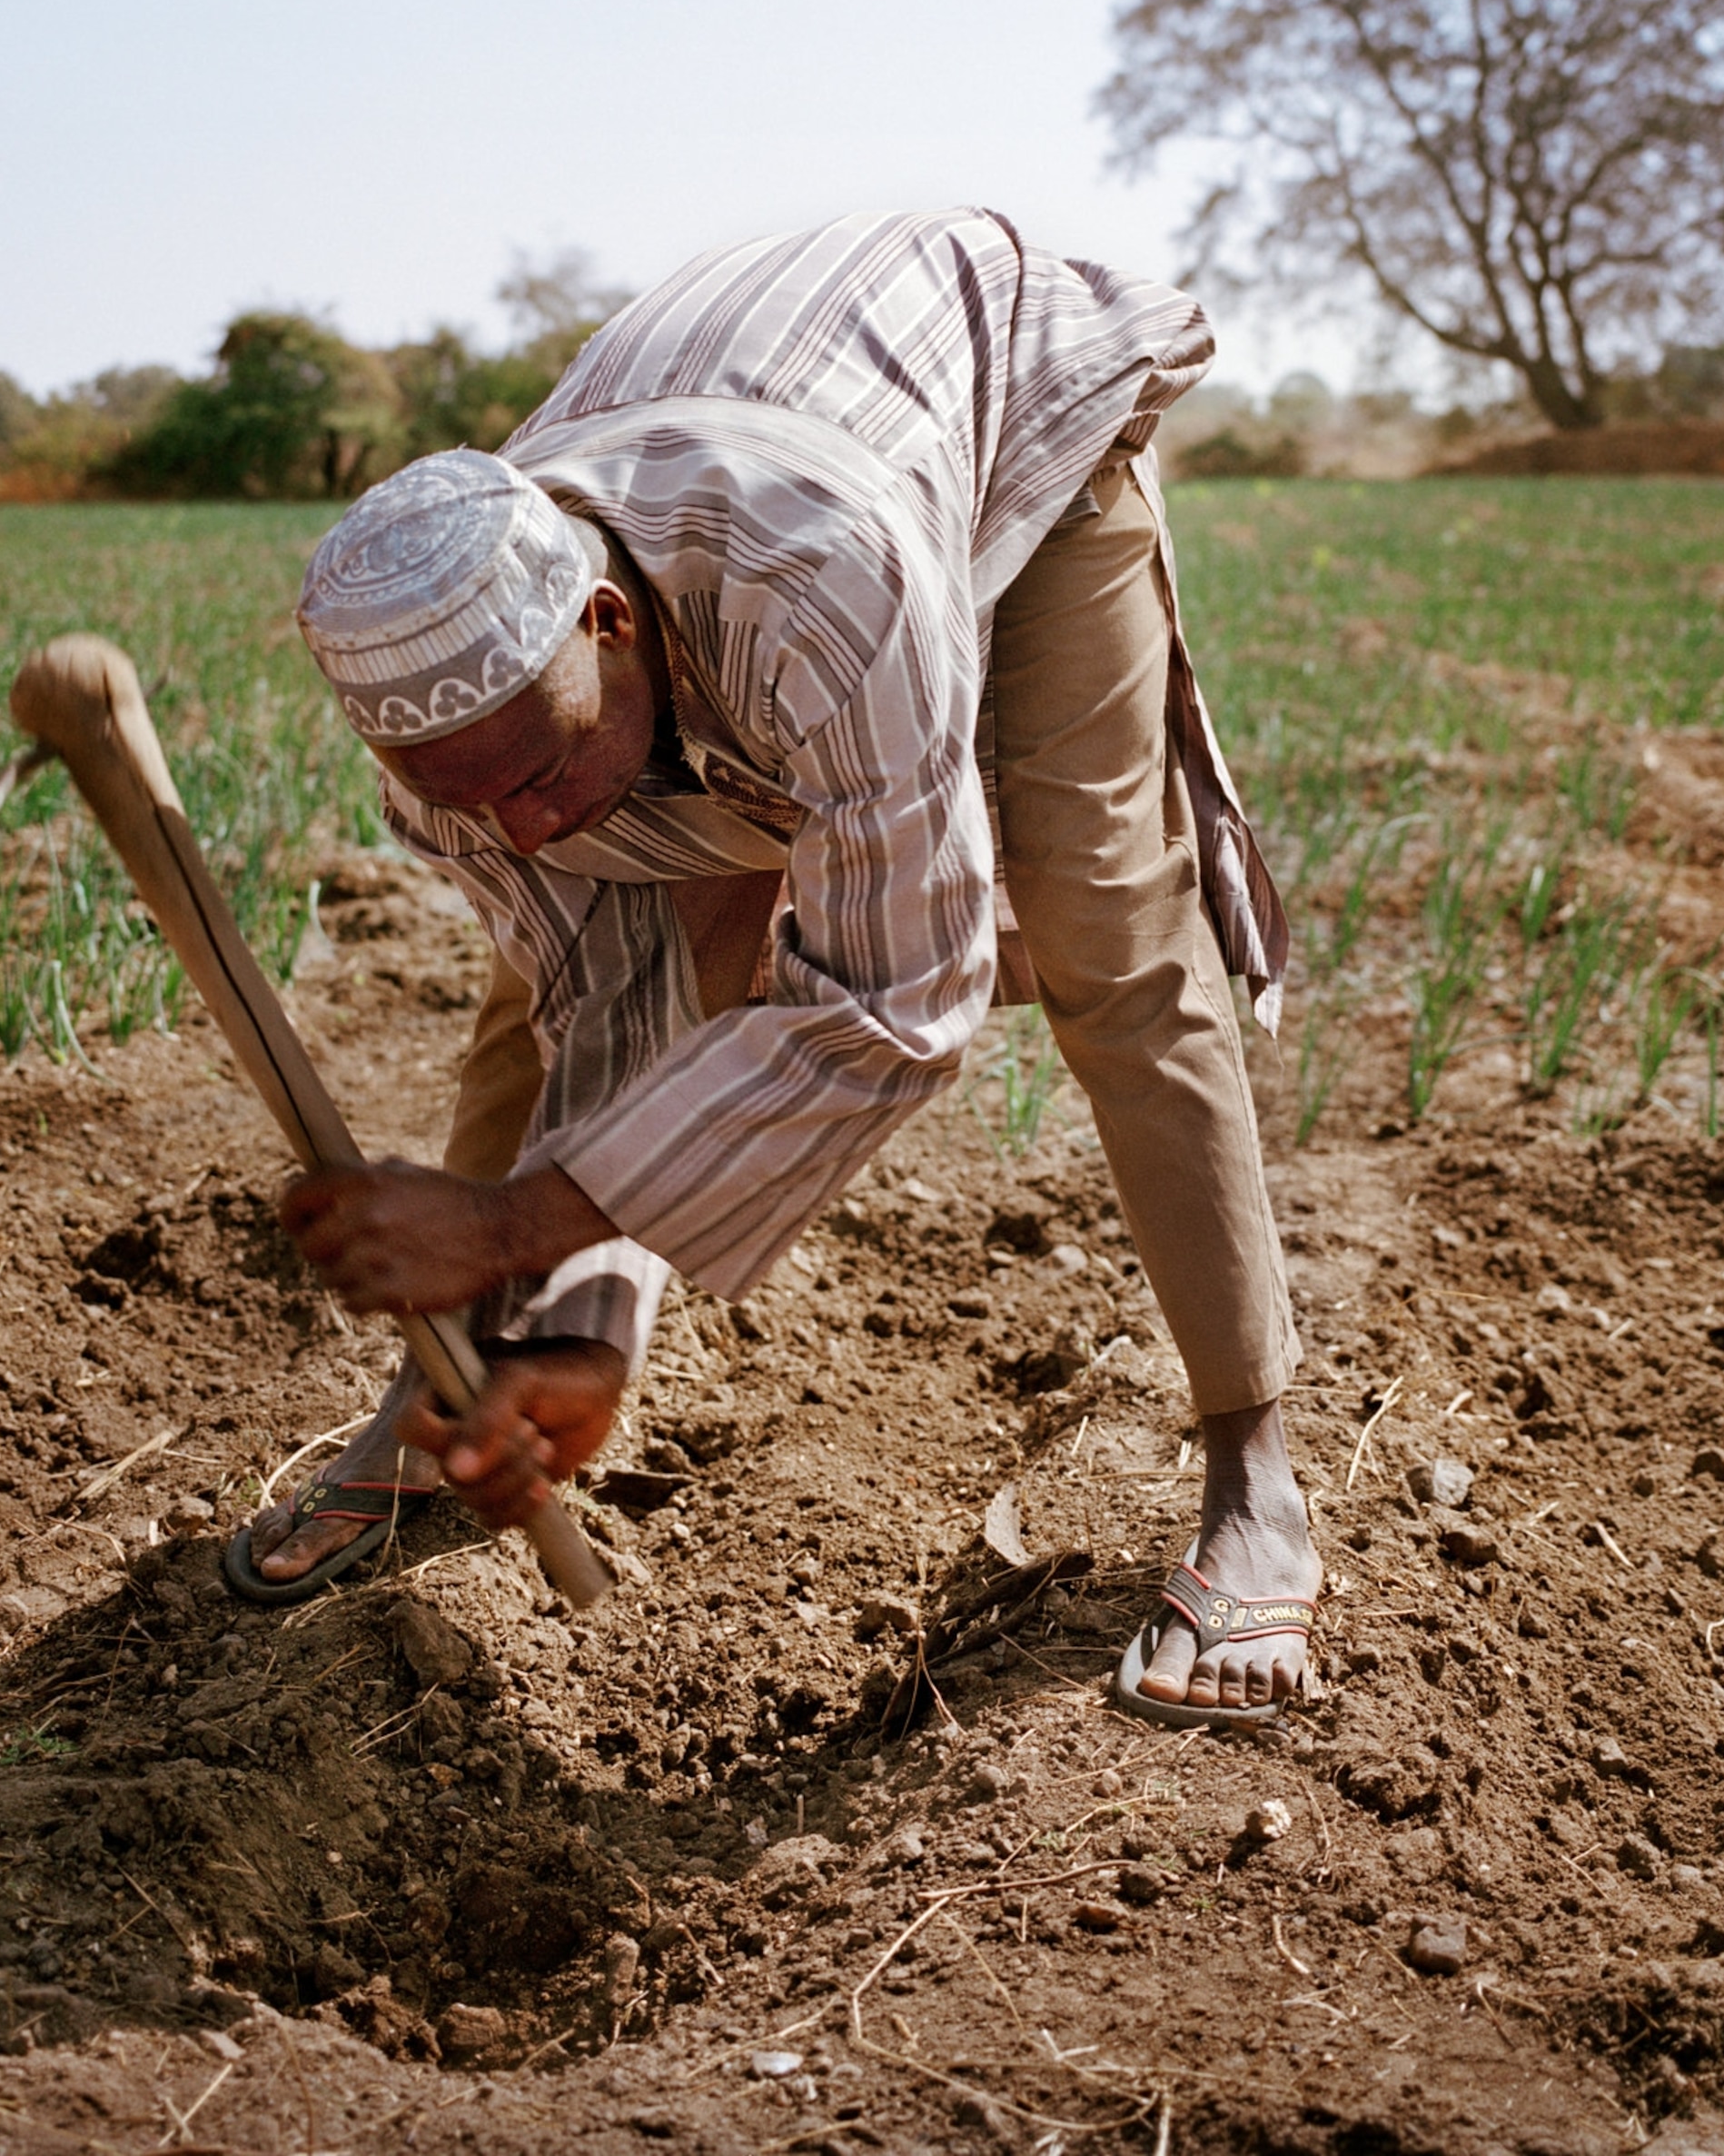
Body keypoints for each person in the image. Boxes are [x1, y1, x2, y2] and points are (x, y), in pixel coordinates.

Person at [233, 208, 1316, 1719]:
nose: (522, 822)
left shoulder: (827, 582)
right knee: (529, 998)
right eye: (468, 797)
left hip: (1010, 434)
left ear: (607, 623)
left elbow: (890, 997)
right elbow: (609, 1007)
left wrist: (512, 1220)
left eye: (542, 764)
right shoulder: (459, 754)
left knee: (1102, 932)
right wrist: (576, 1324)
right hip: (735, 488)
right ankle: (448, 1395)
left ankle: (1253, 1471)